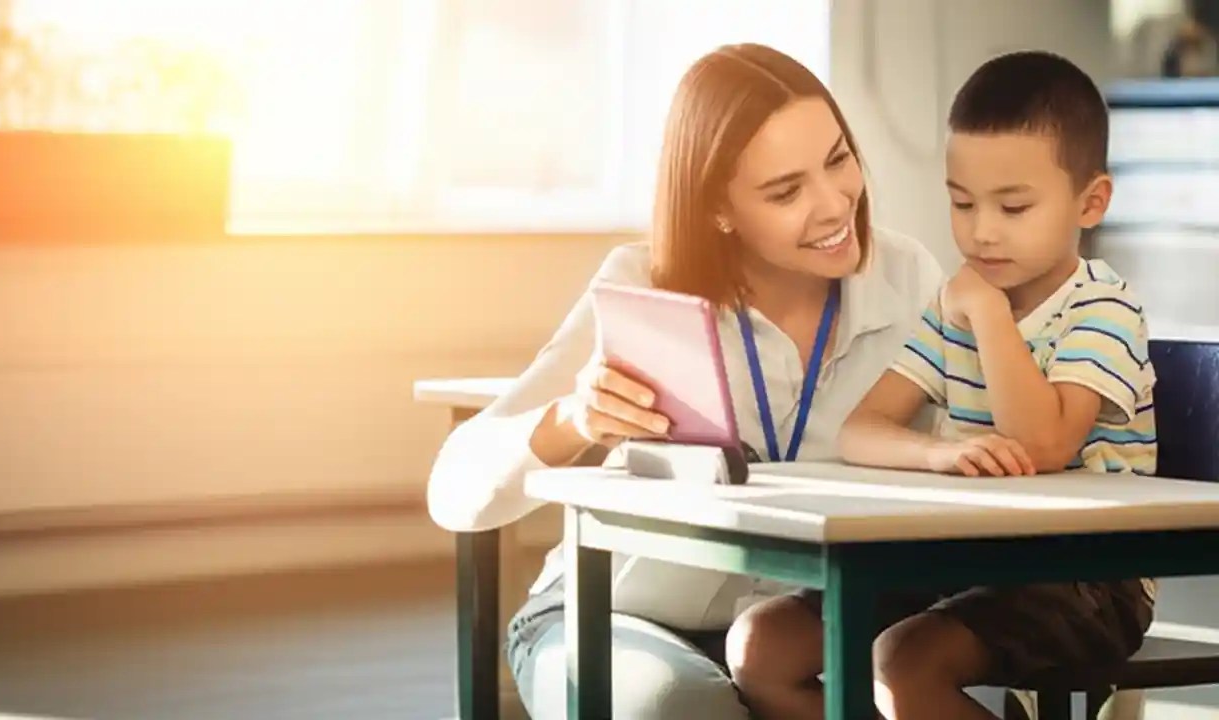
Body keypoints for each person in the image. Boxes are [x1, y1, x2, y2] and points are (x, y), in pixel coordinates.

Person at [425, 43, 943, 719]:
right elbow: (456, 495)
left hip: (810, 633)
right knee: (677, 708)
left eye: (838, 160)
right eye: (786, 191)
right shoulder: (641, 285)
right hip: (623, 618)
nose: (833, 204)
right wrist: (571, 421)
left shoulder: (910, 281)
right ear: (719, 210)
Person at [727, 51, 1156, 720]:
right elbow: (862, 431)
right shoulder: (951, 307)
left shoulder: (1101, 309)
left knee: (902, 665)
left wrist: (988, 315)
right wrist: (937, 453)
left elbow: (1042, 443)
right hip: (968, 559)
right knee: (764, 646)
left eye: (1013, 207)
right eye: (962, 203)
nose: (981, 231)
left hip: (1088, 577)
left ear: (1090, 202)